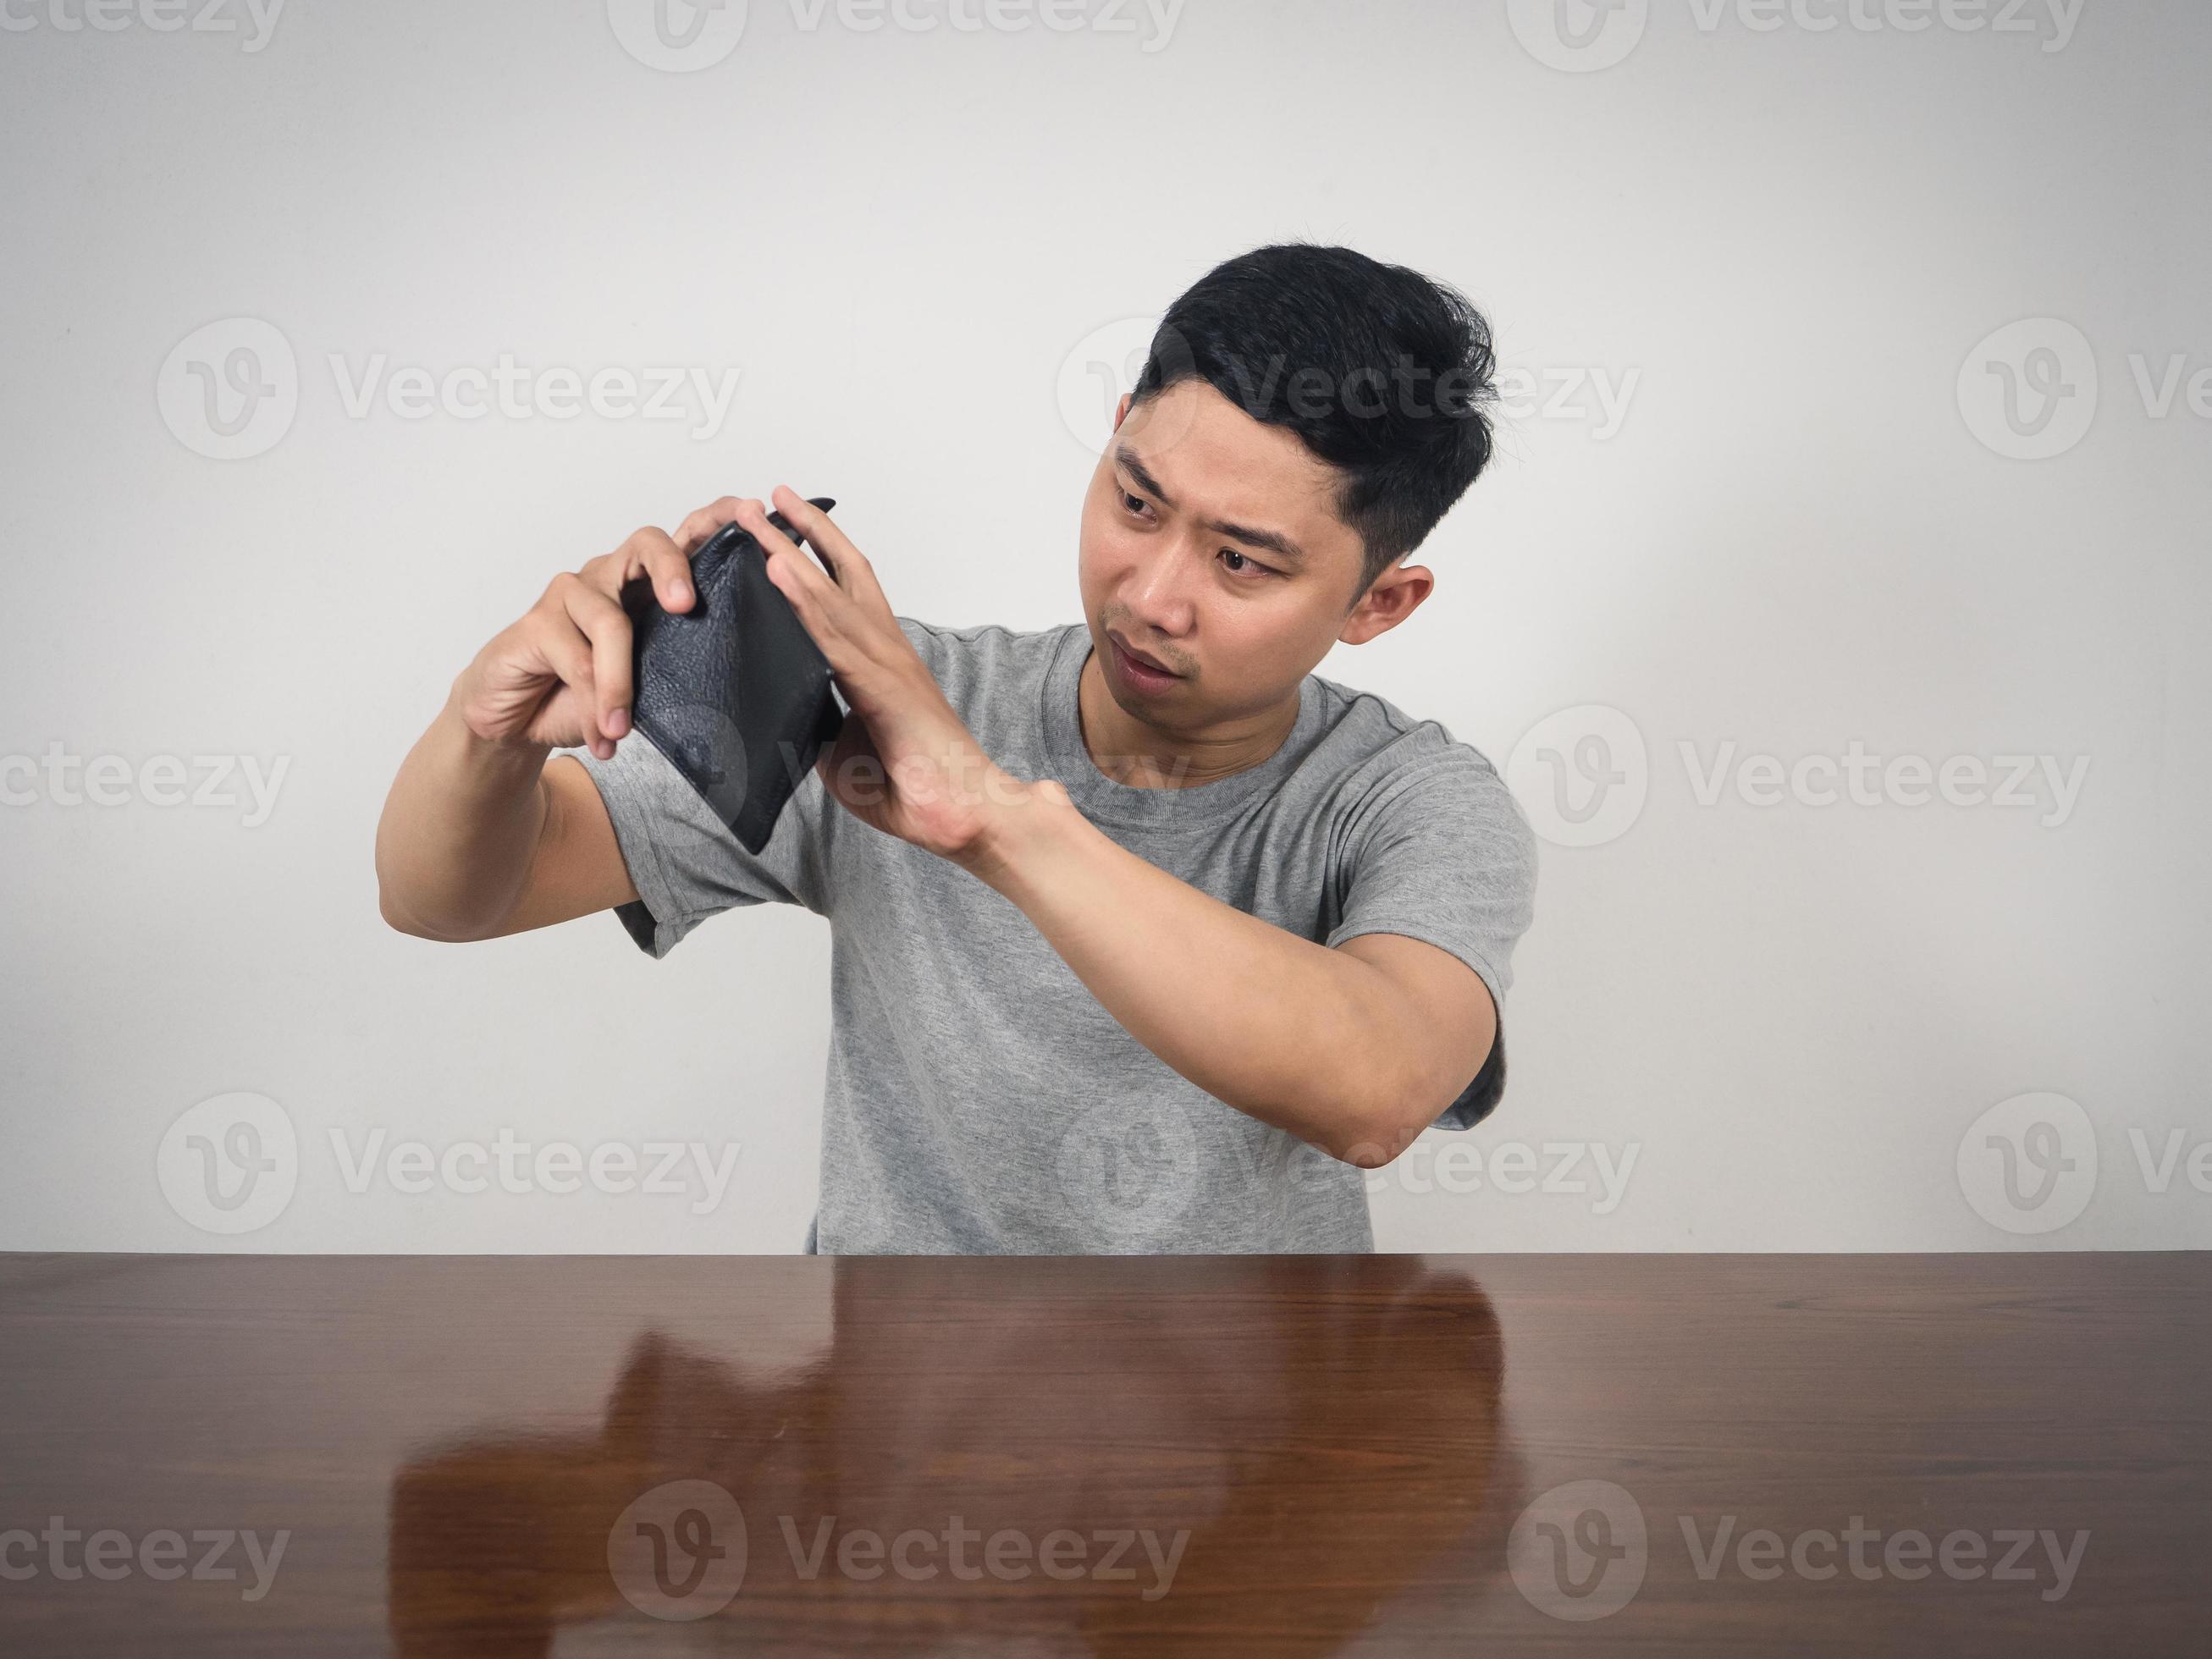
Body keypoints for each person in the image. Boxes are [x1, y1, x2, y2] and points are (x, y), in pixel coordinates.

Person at [374, 241, 1540, 1254]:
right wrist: (485, 738)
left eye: (1240, 561)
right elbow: (454, 899)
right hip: (894, 1444)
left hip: (1262, 1455)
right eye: (1135, 504)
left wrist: (988, 815)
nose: (1153, 595)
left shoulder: (1409, 798)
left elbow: (1379, 1091)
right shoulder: (888, 695)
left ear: (1377, 604)